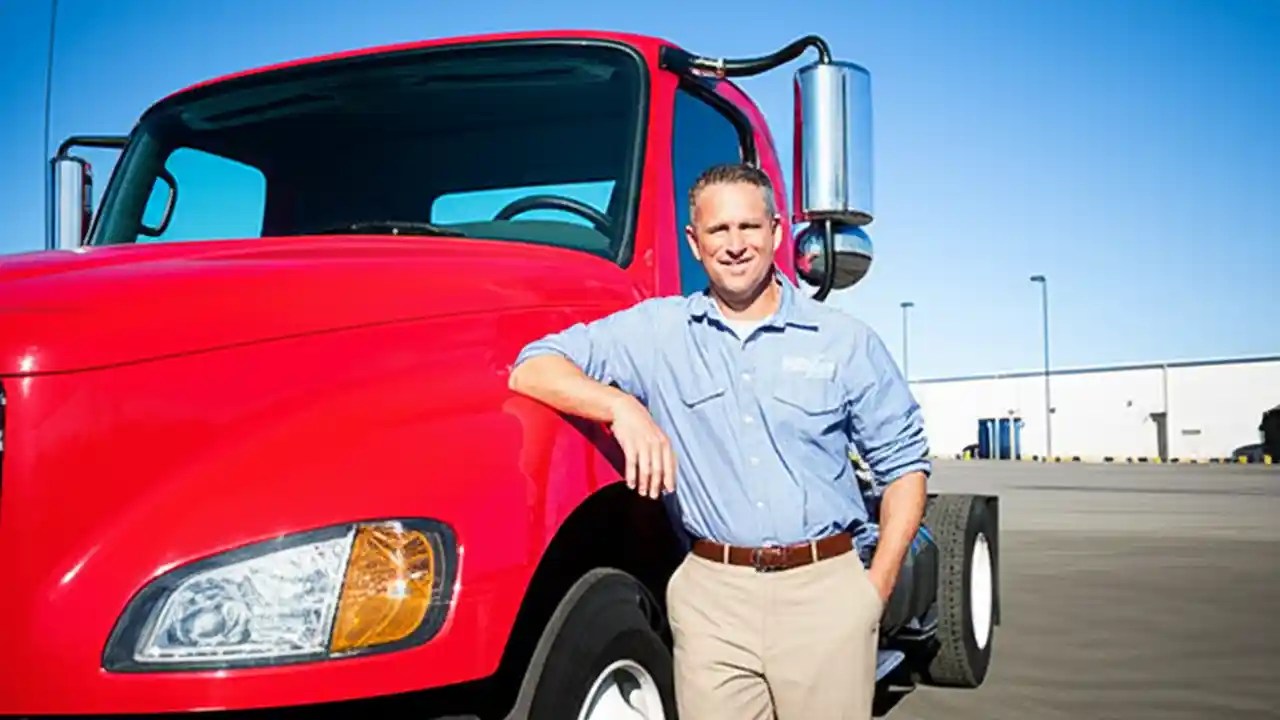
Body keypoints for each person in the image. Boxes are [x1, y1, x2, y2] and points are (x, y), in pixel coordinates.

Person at [508, 162, 930, 719]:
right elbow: (532, 367)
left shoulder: (845, 342)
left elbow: (903, 467)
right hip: (711, 599)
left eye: (749, 228)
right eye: (718, 231)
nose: (735, 246)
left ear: (776, 233)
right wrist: (621, 406)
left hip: (825, 592)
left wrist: (872, 591)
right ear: (695, 242)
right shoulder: (657, 333)